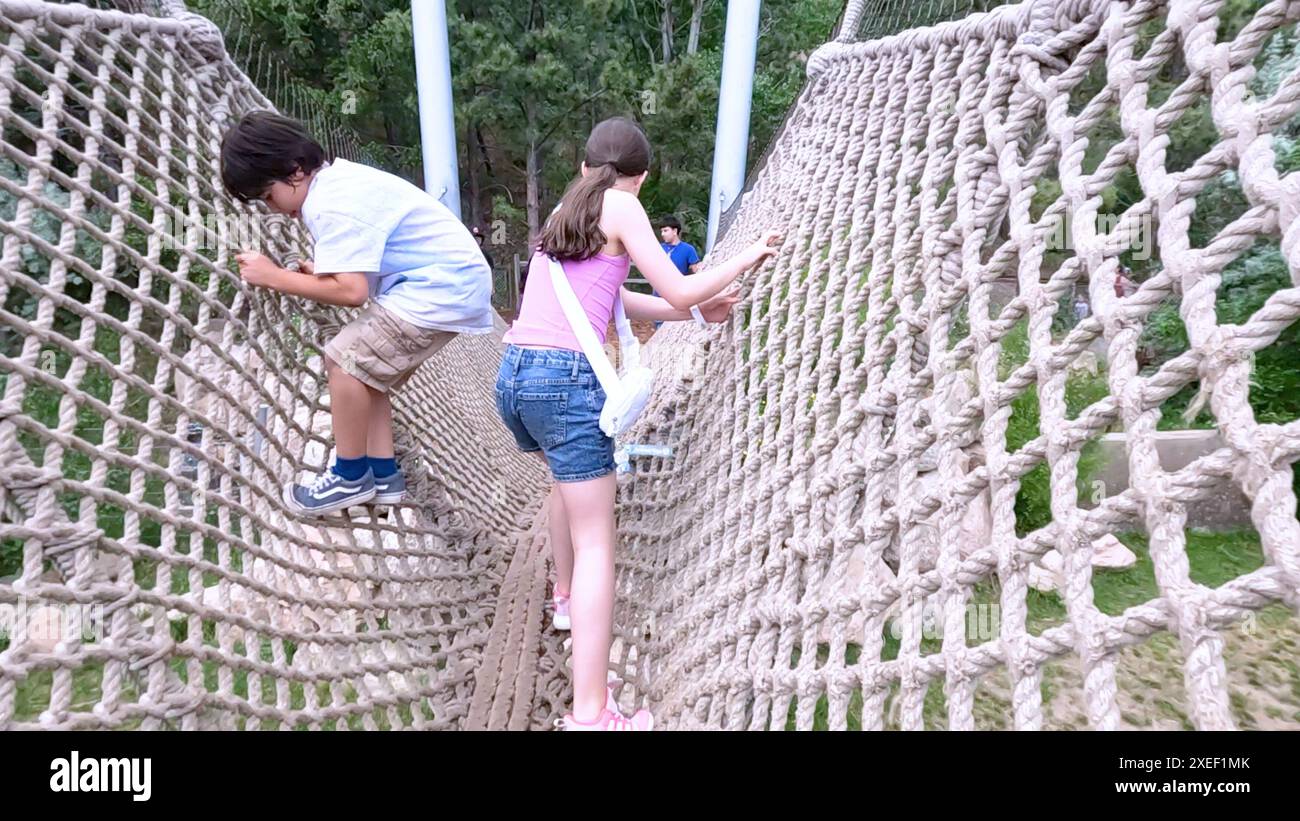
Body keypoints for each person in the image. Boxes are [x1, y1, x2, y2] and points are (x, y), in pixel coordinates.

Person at [496, 117, 780, 730]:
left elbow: (614, 298)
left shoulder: (567, 213)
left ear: (583, 167)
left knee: (563, 485)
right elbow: (677, 289)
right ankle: (592, 714)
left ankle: (565, 598)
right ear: (642, 176)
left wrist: (698, 315)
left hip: (515, 377)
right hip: (564, 383)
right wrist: (748, 256)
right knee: (599, 539)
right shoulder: (622, 205)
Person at [221, 110, 493, 515]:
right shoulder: (340, 183)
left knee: (343, 361)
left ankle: (349, 476)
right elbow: (358, 271)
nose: (273, 209)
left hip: (438, 289)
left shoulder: (327, 203)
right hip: (450, 286)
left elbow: (352, 292)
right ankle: (383, 476)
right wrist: (322, 273)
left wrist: (274, 277)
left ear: (295, 171)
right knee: (367, 374)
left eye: (268, 196)